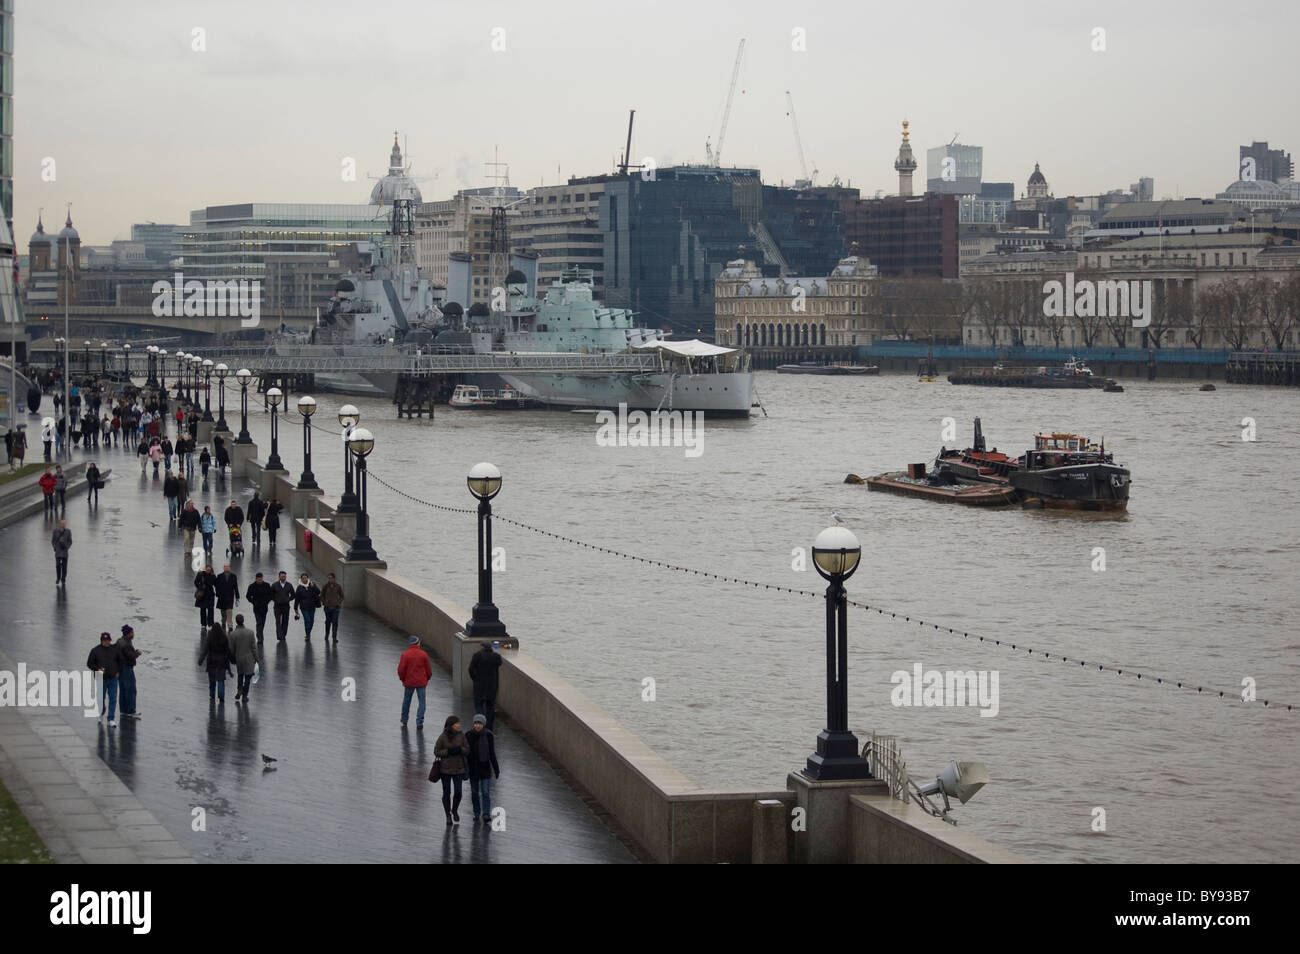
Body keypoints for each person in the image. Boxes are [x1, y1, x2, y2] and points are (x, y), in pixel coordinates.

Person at [464, 714, 501, 824]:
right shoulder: (468, 735)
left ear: (483, 724)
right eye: (476, 723)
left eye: (479, 723)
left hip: (485, 769)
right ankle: (476, 812)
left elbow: (492, 753)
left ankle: (486, 814)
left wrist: (496, 769)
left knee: (485, 792)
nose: (477, 725)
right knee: (474, 793)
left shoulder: (489, 735)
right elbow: (465, 754)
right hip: (473, 769)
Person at [434, 716, 470, 826]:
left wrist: (460, 750)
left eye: (458, 723)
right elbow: (436, 751)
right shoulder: (443, 737)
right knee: (446, 793)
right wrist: (448, 752)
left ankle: (454, 810)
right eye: (456, 724)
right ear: (451, 726)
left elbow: (468, 750)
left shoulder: (462, 736)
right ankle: (448, 815)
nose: (459, 725)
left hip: (459, 769)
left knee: (458, 792)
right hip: (445, 770)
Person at [87, 632, 122, 727]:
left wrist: (118, 671)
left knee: (113, 699)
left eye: (108, 640)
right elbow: (89, 664)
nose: (107, 642)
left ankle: (111, 718)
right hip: (100, 678)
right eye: (105, 640)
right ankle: (101, 714)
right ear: (101, 641)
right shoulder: (95, 650)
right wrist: (98, 669)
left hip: (113, 678)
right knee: (100, 698)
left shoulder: (115, 649)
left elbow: (120, 661)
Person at [398, 635, 431, 729]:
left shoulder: (405, 654)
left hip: (409, 682)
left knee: (406, 701)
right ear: (418, 643)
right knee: (422, 702)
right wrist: (426, 678)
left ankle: (404, 720)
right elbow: (428, 670)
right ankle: (419, 722)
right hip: (421, 682)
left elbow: (401, 670)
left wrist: (403, 679)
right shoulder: (423, 654)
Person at [468, 641, 502, 731]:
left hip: (479, 685)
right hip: (492, 686)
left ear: (482, 647)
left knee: (479, 704)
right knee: (490, 706)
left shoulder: (477, 656)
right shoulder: (496, 657)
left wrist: (475, 678)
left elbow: (471, 669)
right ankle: (489, 726)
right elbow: (499, 663)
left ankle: (480, 723)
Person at [197, 623, 233, 704]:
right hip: (222, 662)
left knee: (212, 680)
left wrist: (200, 660)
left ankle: (212, 694)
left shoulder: (210, 637)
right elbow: (228, 651)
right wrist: (233, 660)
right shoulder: (224, 638)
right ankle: (221, 695)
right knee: (221, 679)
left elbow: (205, 650)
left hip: (211, 661)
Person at [228, 614, 259, 704]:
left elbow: (231, 648)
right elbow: (254, 647)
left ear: (236, 621)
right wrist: (257, 658)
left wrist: (233, 658)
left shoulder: (233, 634)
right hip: (249, 659)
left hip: (239, 658)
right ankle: (245, 695)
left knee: (240, 675)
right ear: (243, 620)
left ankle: (239, 690)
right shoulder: (250, 632)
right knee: (248, 677)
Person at [115, 624, 143, 720]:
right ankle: (131, 710)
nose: (133, 634)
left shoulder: (120, 641)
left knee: (123, 689)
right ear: (128, 634)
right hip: (127, 669)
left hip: (120, 669)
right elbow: (130, 656)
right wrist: (137, 653)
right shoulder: (126, 644)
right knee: (131, 689)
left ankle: (123, 710)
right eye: (132, 632)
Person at [245, 572, 273, 641]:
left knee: (263, 623)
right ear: (256, 579)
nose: (260, 580)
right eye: (258, 579)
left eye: (261, 579)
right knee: (259, 622)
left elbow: (271, 595)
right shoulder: (252, 586)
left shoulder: (267, 585)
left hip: (264, 607)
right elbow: (248, 596)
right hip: (256, 608)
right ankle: (260, 638)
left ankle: (259, 633)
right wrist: (253, 602)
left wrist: (266, 602)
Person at [294, 572, 321, 640]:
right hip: (304, 607)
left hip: (312, 606)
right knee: (307, 620)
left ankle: (308, 632)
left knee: (311, 621)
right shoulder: (299, 587)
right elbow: (297, 598)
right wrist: (296, 608)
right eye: (303, 578)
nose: (304, 579)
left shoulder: (312, 584)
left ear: (307, 578)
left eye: (305, 578)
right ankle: (308, 635)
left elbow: (318, 592)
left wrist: (313, 586)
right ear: (301, 579)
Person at [270, 570, 295, 640]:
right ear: (279, 577)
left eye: (284, 576)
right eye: (282, 576)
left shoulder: (289, 585)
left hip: (286, 606)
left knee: (285, 621)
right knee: (278, 621)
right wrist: (275, 600)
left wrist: (288, 599)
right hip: (277, 606)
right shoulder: (274, 585)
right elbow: (270, 594)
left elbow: (293, 595)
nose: (283, 578)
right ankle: (279, 635)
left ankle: (284, 634)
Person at [215, 563, 240, 630]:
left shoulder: (233, 576)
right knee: (223, 613)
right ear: (223, 568)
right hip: (221, 597)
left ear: (229, 568)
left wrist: (237, 597)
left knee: (229, 612)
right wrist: (218, 594)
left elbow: (236, 587)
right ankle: (223, 623)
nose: (226, 568)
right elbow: (217, 586)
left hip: (229, 597)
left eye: (228, 567)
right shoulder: (219, 576)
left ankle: (230, 626)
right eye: (225, 567)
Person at [321, 572, 344, 641]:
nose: (330, 579)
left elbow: (342, 596)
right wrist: (324, 602)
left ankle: (334, 637)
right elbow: (322, 595)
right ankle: (326, 635)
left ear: (334, 578)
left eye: (331, 578)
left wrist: (338, 602)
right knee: (328, 622)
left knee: (335, 622)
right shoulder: (325, 586)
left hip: (336, 608)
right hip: (327, 608)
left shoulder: (338, 586)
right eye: (329, 578)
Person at [194, 563, 217, 630]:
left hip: (210, 595)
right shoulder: (201, 574)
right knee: (203, 610)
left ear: (211, 570)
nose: (208, 571)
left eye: (209, 570)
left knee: (211, 610)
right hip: (203, 595)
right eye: (207, 570)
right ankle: (203, 624)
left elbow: (215, 584)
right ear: (205, 569)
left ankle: (210, 623)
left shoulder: (213, 576)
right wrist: (200, 587)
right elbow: (196, 582)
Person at [51, 519, 72, 585]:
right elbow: (53, 541)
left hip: (64, 552)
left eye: (64, 523)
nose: (63, 525)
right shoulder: (55, 531)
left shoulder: (68, 531)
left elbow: (70, 541)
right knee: (57, 565)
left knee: (64, 566)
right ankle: (58, 577)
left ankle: (63, 579)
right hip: (58, 551)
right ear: (59, 524)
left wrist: (67, 547)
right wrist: (54, 547)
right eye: (62, 523)